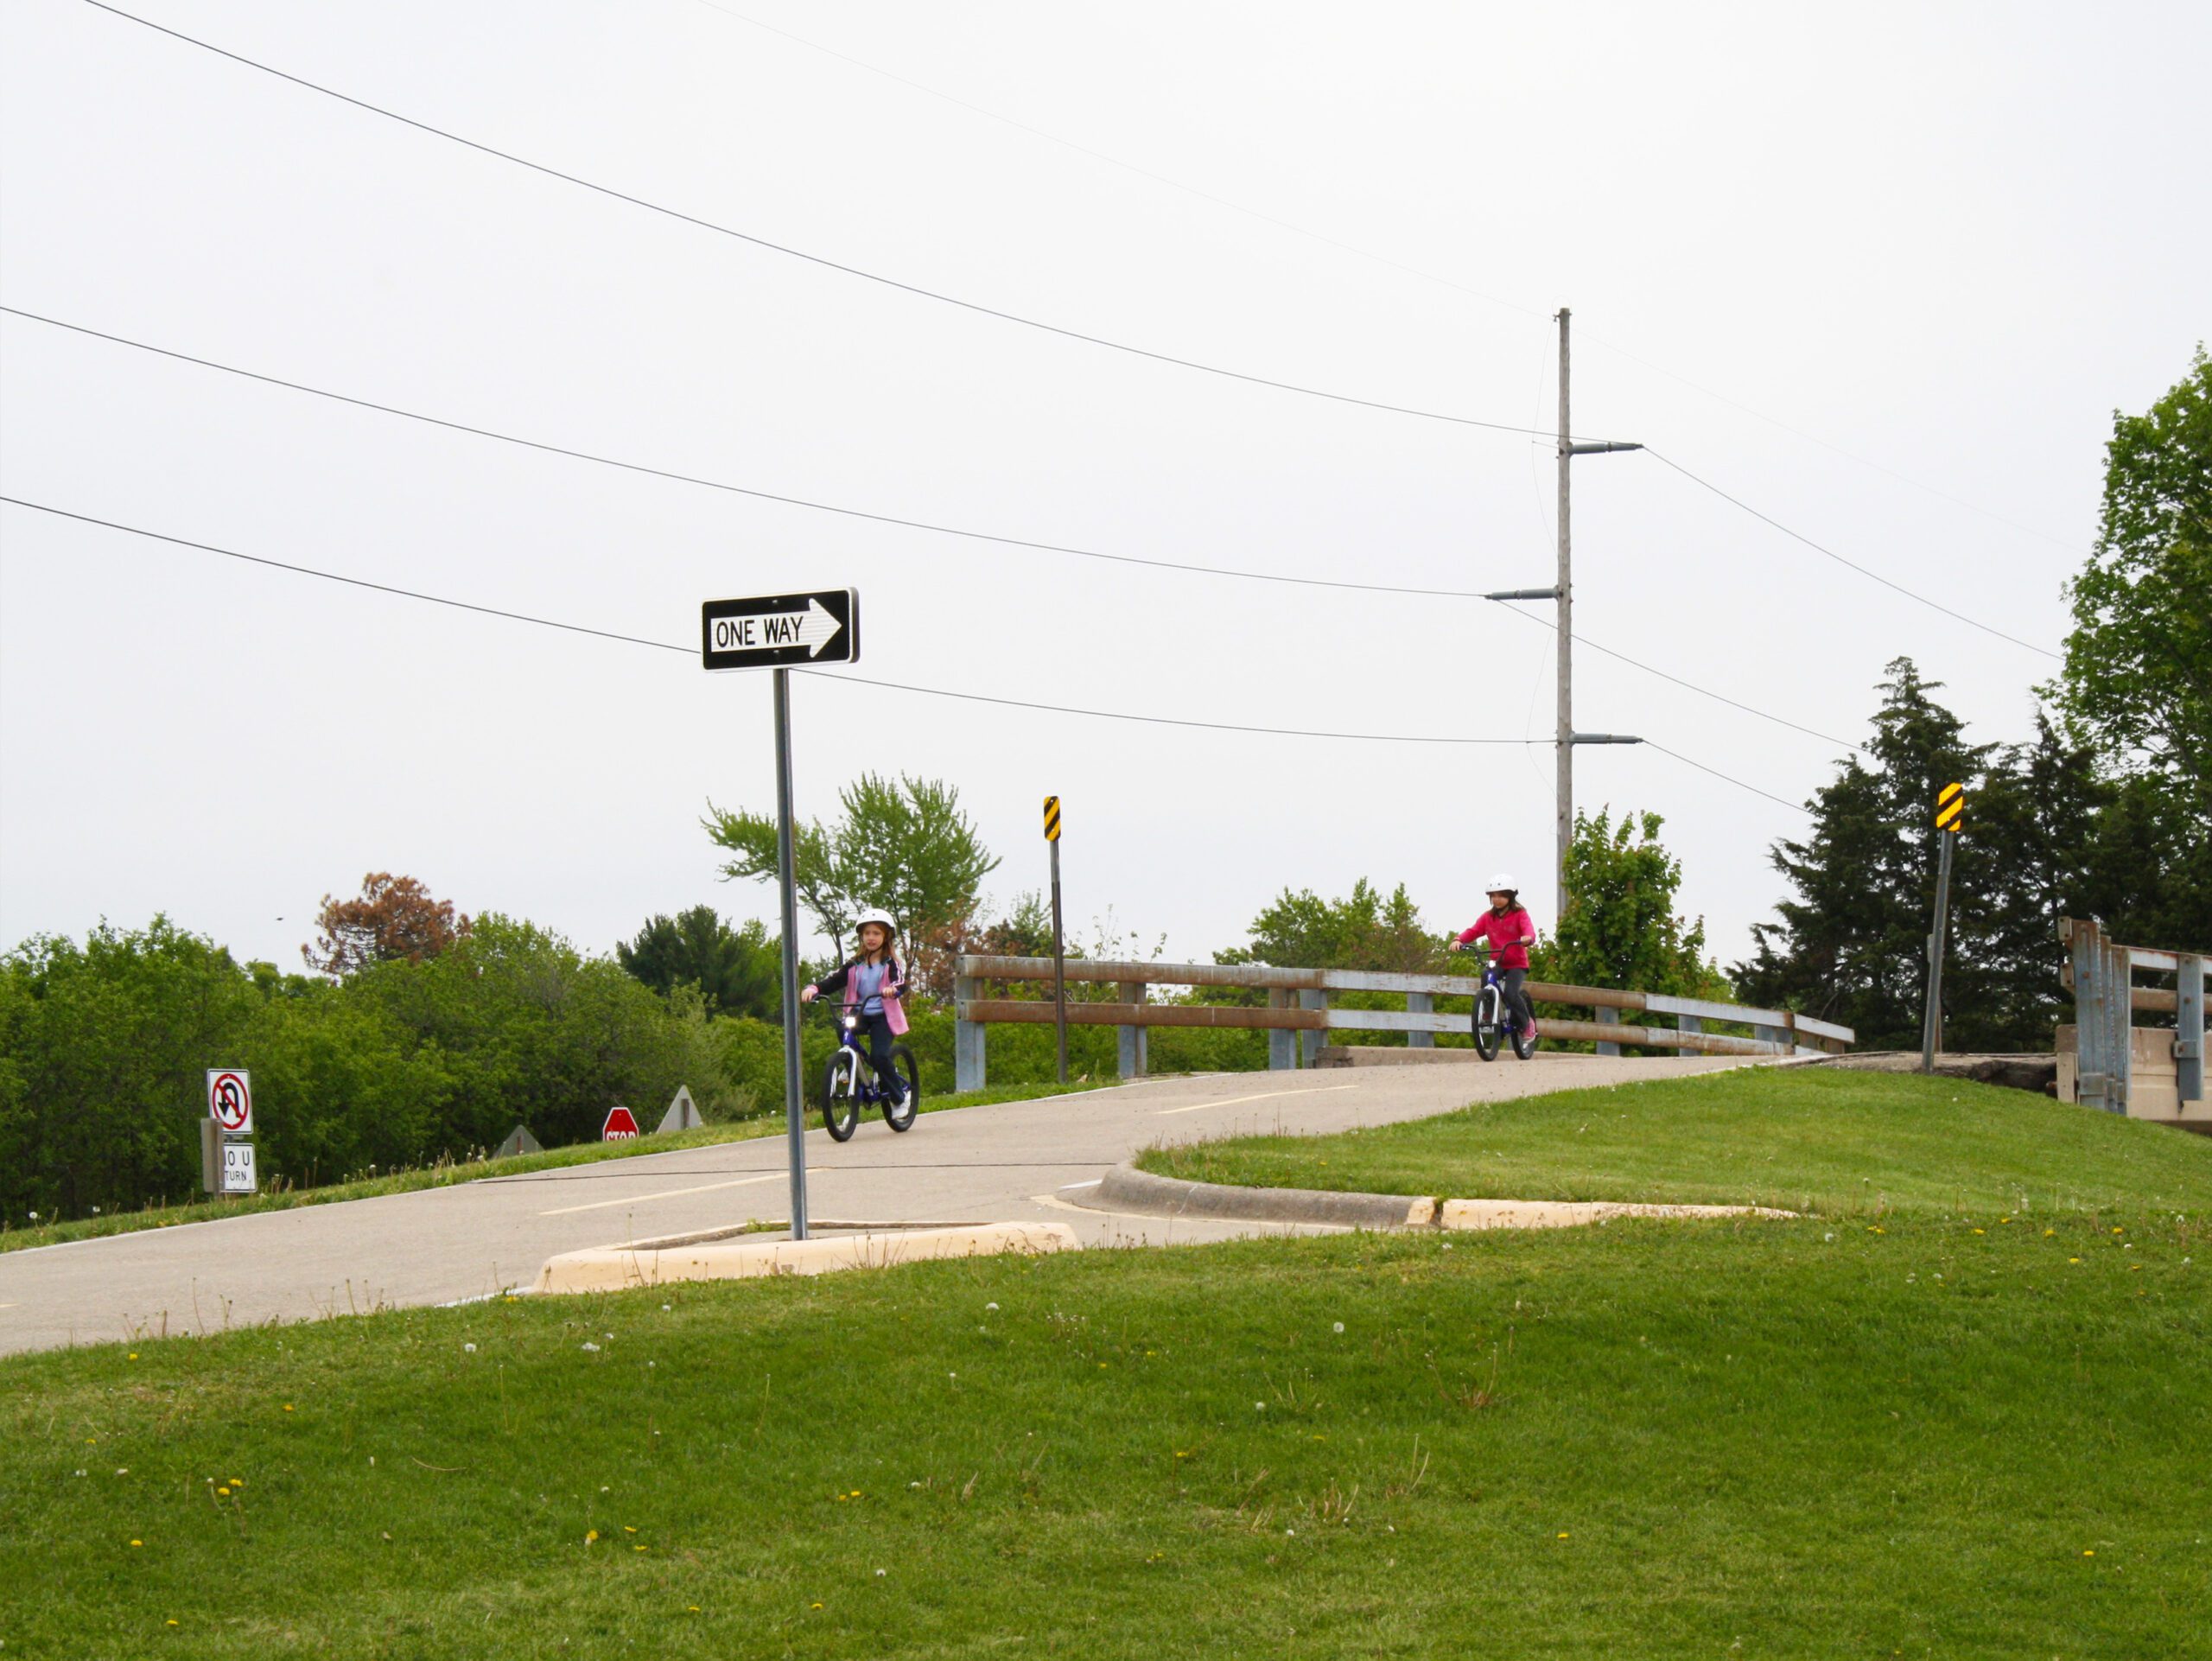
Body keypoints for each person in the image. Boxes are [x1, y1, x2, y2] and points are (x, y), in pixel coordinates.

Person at [798, 909, 910, 1103]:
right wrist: (814, 988)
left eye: (876, 933)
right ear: (861, 937)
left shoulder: (891, 963)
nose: (871, 938)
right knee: (842, 1027)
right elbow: (834, 981)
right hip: (861, 1013)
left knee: (879, 1056)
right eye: (867, 933)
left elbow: (900, 982)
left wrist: (892, 989)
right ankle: (851, 1065)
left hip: (883, 1016)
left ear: (886, 936)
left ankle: (899, 1098)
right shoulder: (855, 964)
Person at [1450, 875, 1538, 1041]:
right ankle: (1490, 1014)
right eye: (1494, 896)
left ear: (1510, 896)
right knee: (1486, 976)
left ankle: (1527, 1024)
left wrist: (1528, 938)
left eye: (1502, 895)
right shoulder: (1488, 917)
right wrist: (1459, 939)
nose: (1497, 900)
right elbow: (1474, 931)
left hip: (1516, 964)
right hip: (1498, 962)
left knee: (1511, 994)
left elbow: (1528, 930)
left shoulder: (1520, 914)